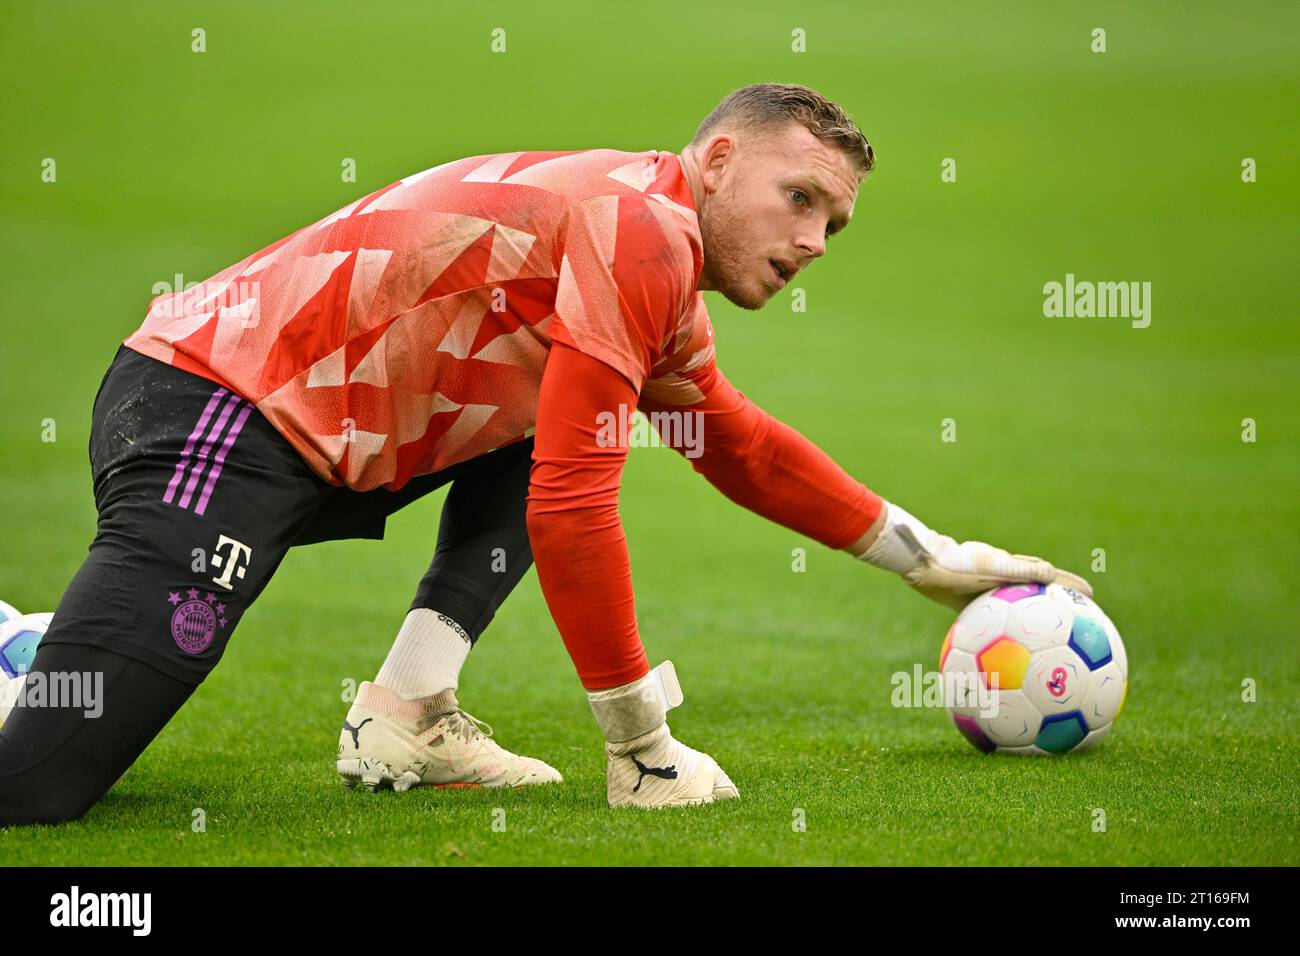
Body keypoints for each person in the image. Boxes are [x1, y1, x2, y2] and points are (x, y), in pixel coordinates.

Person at [0, 82, 1089, 824]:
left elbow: (732, 443)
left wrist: (924, 556)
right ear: (714, 162)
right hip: (212, 409)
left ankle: (407, 711)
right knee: (39, 782)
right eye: (797, 199)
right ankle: (28, 649)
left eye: (833, 225)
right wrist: (641, 746)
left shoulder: (649, 241)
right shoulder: (640, 235)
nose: (811, 240)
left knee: (568, 409)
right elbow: (574, 507)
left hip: (310, 429)